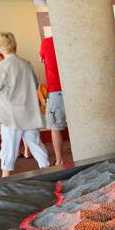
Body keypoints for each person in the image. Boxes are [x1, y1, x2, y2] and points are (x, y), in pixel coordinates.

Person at [0, 32, 48, 177]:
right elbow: (35, 84)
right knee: (37, 147)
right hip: (29, 114)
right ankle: (50, 175)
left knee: (8, 150)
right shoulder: (26, 65)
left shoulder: (3, 67)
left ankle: (5, 182)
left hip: (11, 116)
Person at [37, 33, 67, 165]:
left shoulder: (47, 42)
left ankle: (59, 160)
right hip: (75, 90)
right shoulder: (70, 40)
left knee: (55, 128)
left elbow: (41, 58)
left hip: (56, 90)